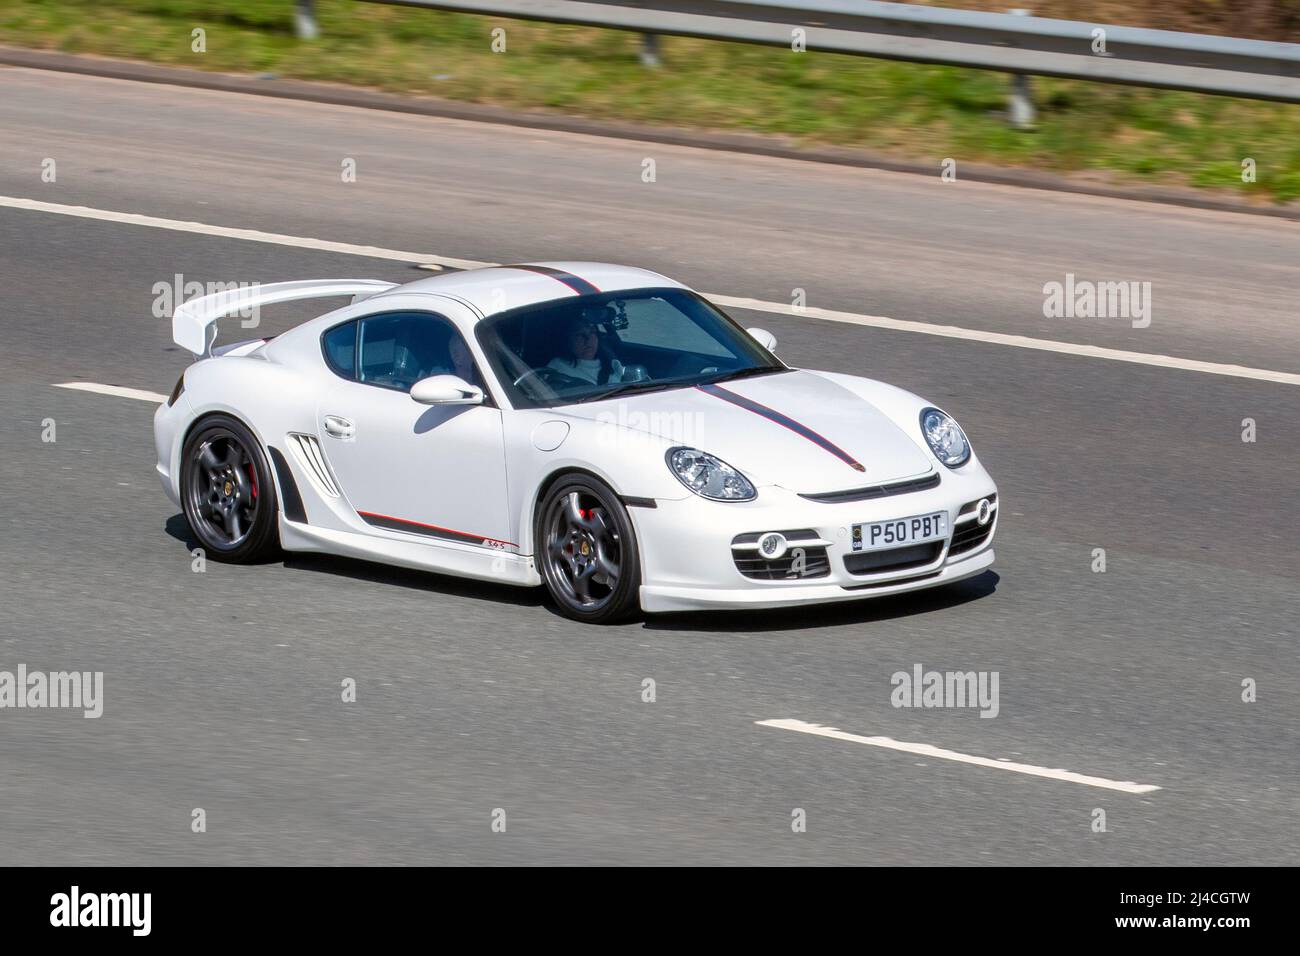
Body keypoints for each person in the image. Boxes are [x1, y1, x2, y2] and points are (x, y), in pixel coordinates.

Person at [546, 313, 624, 385]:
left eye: (592, 332)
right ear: (567, 340)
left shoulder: (613, 364)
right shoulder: (557, 367)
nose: (588, 339)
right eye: (579, 335)